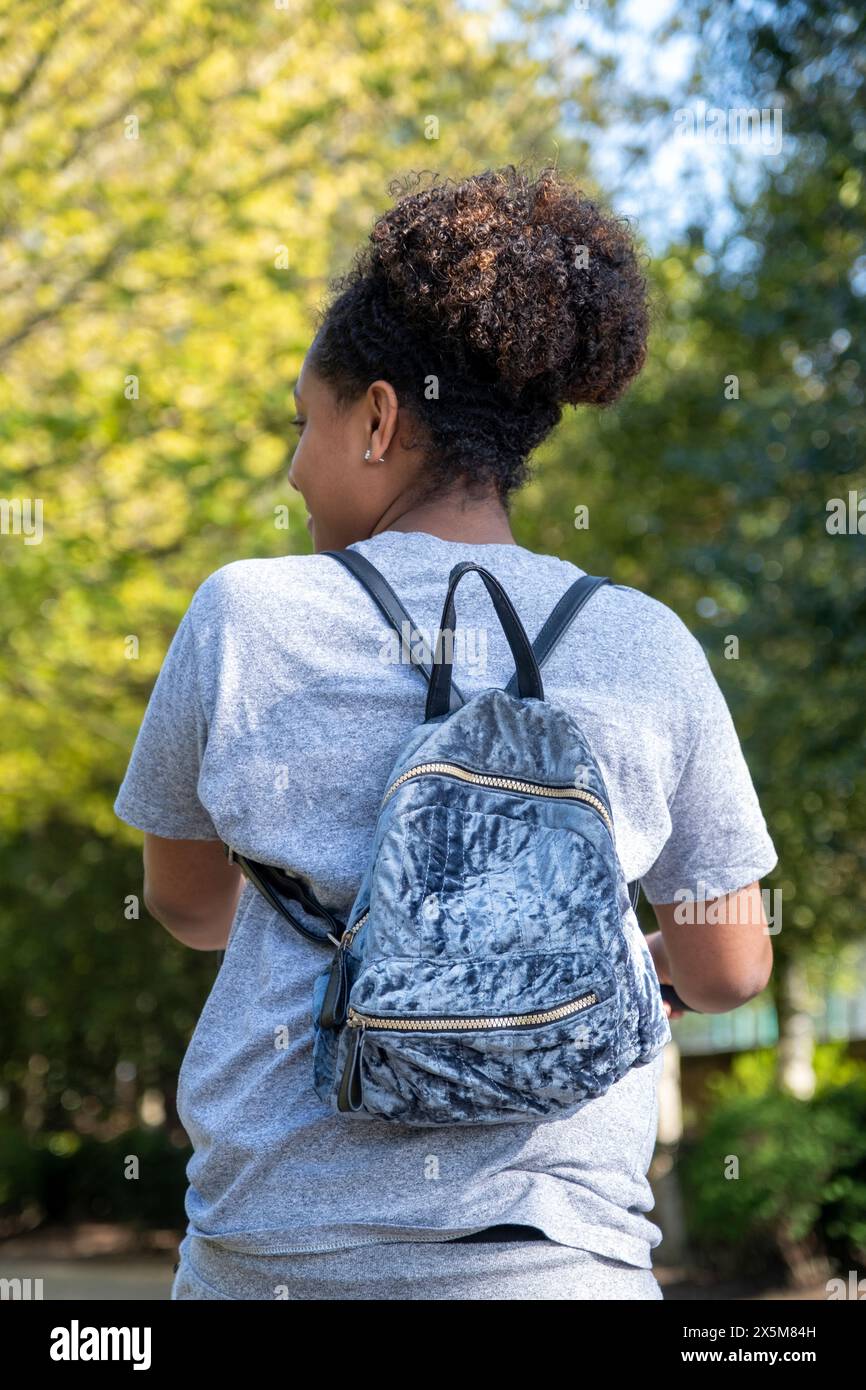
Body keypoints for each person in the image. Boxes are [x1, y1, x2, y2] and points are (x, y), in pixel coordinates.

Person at [114, 165, 778, 1300]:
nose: (290, 465)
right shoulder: (648, 645)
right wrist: (564, 963)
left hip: (275, 1254)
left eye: (300, 425)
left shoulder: (246, 614)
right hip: (556, 1260)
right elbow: (729, 966)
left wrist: (377, 947)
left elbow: (185, 903)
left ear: (375, 418)